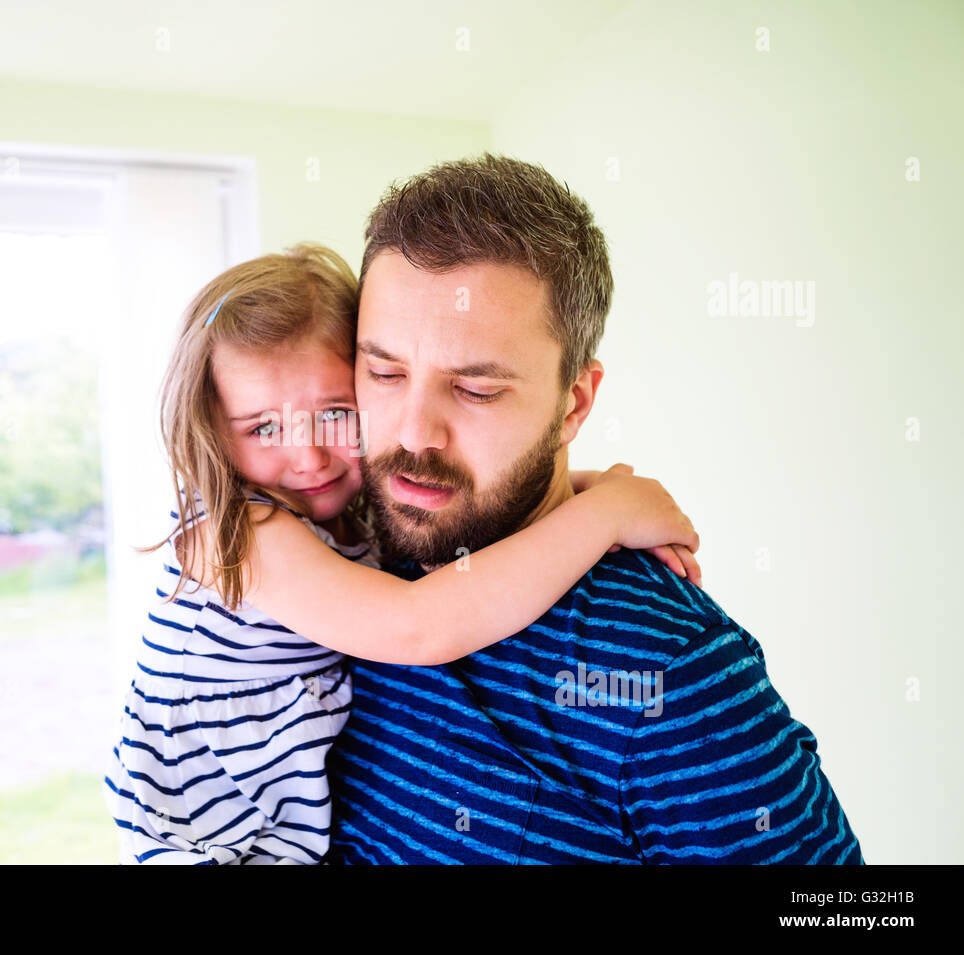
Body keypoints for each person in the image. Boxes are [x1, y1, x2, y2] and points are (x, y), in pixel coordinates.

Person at [325, 153, 864, 864]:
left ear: (574, 400)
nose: (413, 434)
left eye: (477, 390)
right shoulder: (342, 550)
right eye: (384, 371)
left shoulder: (670, 671)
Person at [102, 242, 704, 864]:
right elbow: (417, 627)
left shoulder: (337, 521)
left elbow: (481, 501)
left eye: (336, 414)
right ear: (208, 427)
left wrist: (586, 486)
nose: (308, 458)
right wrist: (602, 515)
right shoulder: (235, 532)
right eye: (265, 428)